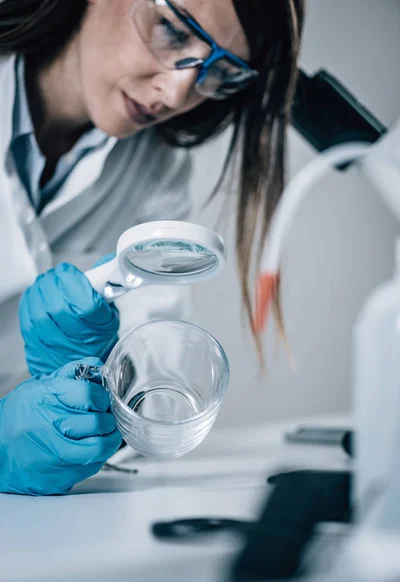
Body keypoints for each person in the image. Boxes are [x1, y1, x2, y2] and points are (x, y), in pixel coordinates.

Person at [0, 0, 304, 495]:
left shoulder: (157, 164)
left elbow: (159, 409)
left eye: (220, 71)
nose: (178, 91)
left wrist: (103, 383)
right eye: (171, 30)